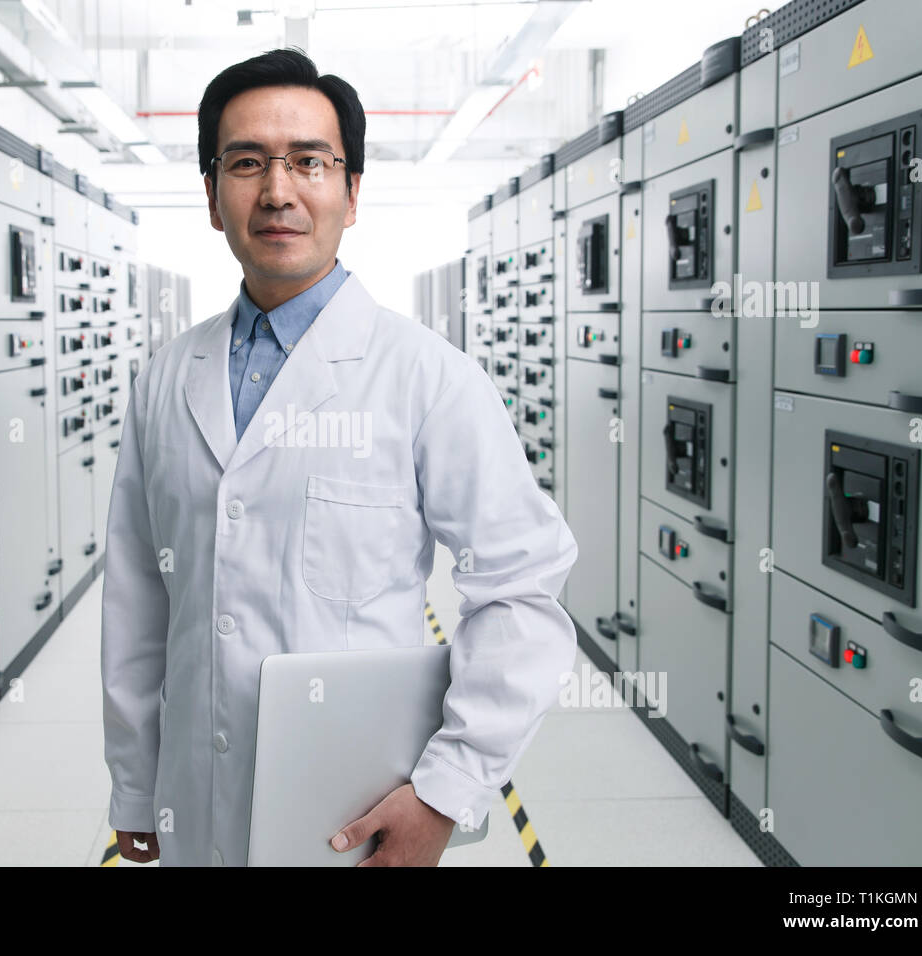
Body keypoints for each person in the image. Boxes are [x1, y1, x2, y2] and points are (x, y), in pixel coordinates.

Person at [100, 47, 577, 867]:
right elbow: (140, 599)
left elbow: (522, 594)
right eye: (246, 163)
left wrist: (445, 789)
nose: (278, 190)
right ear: (212, 197)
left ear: (351, 193)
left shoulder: (429, 378)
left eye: (310, 162)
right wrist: (135, 783)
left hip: (353, 815)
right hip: (192, 798)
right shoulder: (167, 379)